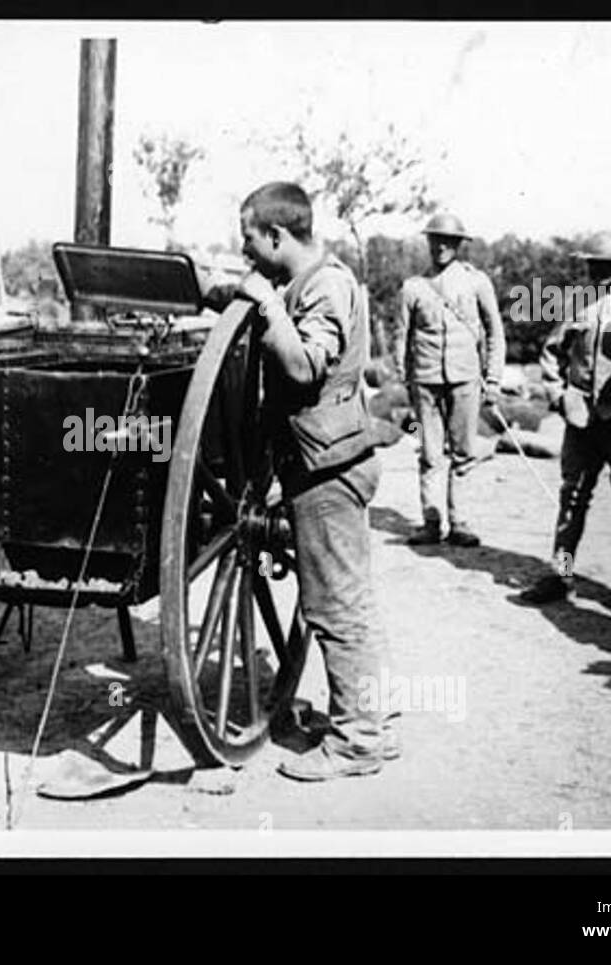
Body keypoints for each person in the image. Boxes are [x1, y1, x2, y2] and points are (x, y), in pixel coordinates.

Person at [201, 182, 397, 781]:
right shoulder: (303, 282)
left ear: (278, 235)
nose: (248, 250)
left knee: (335, 603)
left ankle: (358, 742)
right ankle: (368, 722)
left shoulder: (328, 285)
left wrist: (267, 305)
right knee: (343, 598)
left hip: (330, 468)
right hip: (318, 459)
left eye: (251, 239)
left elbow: (304, 364)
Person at [519, 230, 611, 611]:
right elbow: (550, 352)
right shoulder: (577, 302)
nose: (595, 271)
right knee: (571, 500)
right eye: (591, 265)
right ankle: (561, 575)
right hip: (580, 419)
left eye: (603, 265)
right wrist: (558, 395)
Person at [395, 213, 506, 546]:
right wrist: (405, 377)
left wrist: (494, 379)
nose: (441, 247)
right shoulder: (413, 287)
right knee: (430, 454)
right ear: (428, 242)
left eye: (449, 241)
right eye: (436, 239)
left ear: (459, 245)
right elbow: (402, 335)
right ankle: (431, 522)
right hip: (425, 381)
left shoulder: (476, 282)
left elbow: (495, 333)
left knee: (464, 453)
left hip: (464, 380)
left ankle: (460, 522)